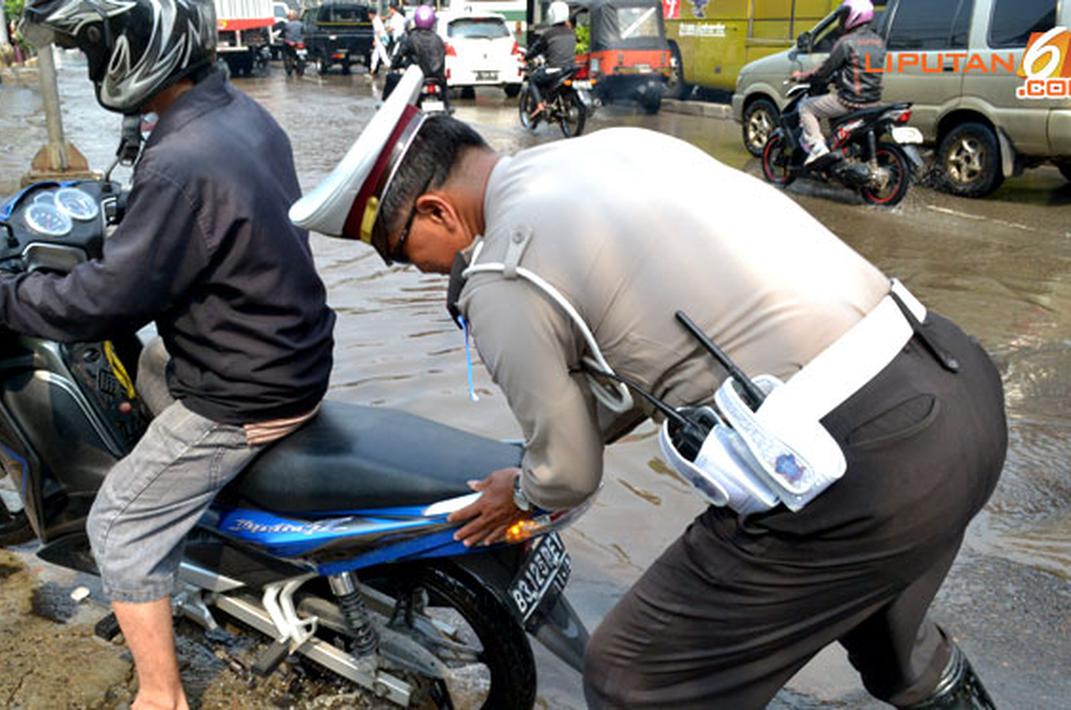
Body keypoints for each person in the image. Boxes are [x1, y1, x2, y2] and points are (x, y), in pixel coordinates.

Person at [288, 69, 1005, 709]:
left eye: (399, 251)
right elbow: (643, 354)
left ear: (437, 211)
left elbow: (569, 474)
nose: (417, 271)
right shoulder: (611, 149)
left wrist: (525, 489)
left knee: (632, 679)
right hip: (952, 383)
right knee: (894, 650)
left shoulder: (500, 271)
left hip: (858, 463)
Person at [0, 1, 337, 707]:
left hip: (242, 390)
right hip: (288, 349)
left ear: (134, 46)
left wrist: (5, 293)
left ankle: (160, 693)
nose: (90, 64)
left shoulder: (176, 161)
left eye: (93, 48)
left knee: (116, 523)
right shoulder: (239, 115)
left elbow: (100, 305)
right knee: (143, 364)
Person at [793, 0, 883, 164]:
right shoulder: (878, 41)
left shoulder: (846, 42)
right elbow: (860, 69)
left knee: (805, 107)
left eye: (845, 15)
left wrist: (802, 76)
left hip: (851, 102)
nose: (842, 19)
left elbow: (824, 70)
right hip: (873, 102)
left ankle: (817, 147)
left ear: (855, 15)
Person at [523, 0, 576, 120]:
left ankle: (539, 105)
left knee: (533, 80)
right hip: (569, 69)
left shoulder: (548, 34)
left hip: (554, 70)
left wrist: (526, 57)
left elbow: (536, 49)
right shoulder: (571, 33)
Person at [391, 6, 447, 107]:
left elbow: (399, 54)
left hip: (419, 78)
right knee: (445, 91)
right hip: (437, 77)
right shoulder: (438, 39)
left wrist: (394, 64)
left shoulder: (411, 38)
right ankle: (447, 106)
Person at [368, 7, 390, 77]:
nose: (369, 16)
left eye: (369, 14)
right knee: (375, 56)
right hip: (381, 40)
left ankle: (392, 68)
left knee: (384, 56)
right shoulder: (377, 19)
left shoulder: (375, 21)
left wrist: (375, 41)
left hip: (380, 40)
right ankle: (372, 72)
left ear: (372, 14)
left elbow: (378, 32)